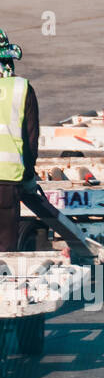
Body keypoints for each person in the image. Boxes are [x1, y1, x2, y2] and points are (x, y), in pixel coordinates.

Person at [0, 29, 39, 252]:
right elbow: (30, 141)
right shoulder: (21, 90)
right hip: (6, 181)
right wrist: (29, 177)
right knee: (5, 250)